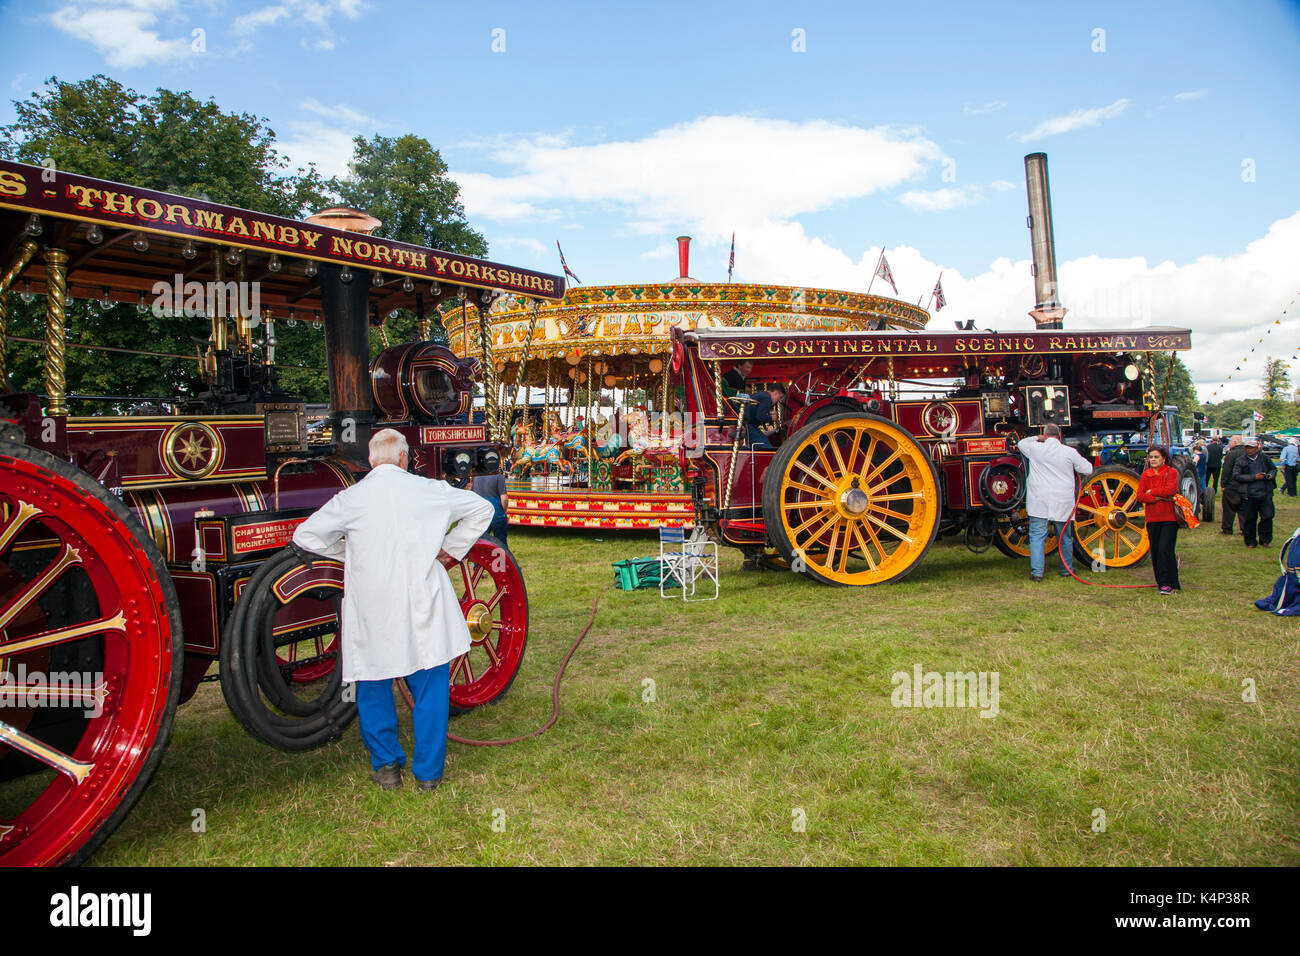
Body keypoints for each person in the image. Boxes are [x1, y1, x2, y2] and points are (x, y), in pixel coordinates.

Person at [292, 428, 494, 791]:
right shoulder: (430, 490)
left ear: (371, 460)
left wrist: (348, 553)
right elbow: (482, 508)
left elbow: (305, 536)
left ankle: (387, 767)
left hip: (373, 608)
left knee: (373, 684)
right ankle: (429, 775)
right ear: (404, 458)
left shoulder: (351, 498)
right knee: (430, 687)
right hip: (424, 603)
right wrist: (450, 549)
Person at [1016, 424, 1093, 582]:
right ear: (1060, 434)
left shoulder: (1036, 449)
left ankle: (1037, 573)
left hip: (1039, 499)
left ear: (1044, 434)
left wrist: (1038, 438)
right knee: (1064, 536)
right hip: (1062, 499)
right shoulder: (1069, 451)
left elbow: (1021, 444)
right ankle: (1067, 569)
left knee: (1037, 536)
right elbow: (1088, 469)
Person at [1136, 446, 1181, 594]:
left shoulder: (1171, 472)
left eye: (1156, 457)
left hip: (1169, 517)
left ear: (1164, 459)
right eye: (1151, 457)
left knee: (1165, 549)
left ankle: (1168, 582)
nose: (1153, 460)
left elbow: (1171, 490)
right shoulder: (1145, 475)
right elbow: (1140, 496)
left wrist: (1152, 492)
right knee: (1156, 550)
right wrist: (1158, 497)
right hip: (1152, 518)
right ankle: (1164, 582)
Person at [1233, 437, 1278, 549]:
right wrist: (1254, 477)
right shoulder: (1241, 460)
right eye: (1247, 448)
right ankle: (1250, 541)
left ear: (1256, 449)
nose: (1249, 450)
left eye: (1251, 448)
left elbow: (1273, 469)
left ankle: (1265, 540)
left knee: (1267, 516)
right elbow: (1236, 476)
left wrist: (1271, 475)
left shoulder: (1264, 458)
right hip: (1249, 494)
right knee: (1249, 519)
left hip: (1265, 493)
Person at [471, 457, 510, 546]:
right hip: (497, 514)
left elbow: (473, 496)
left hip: (481, 515)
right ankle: (501, 559)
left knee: (481, 543)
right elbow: (504, 498)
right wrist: (504, 510)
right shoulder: (498, 477)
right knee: (501, 543)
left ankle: (479, 559)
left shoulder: (476, 477)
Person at [744, 383, 787, 449]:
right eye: (780, 397)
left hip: (748, 424)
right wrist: (771, 418)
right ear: (776, 393)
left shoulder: (762, 395)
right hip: (749, 425)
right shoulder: (767, 398)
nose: (779, 400)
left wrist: (768, 413)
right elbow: (760, 416)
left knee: (764, 441)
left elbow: (757, 412)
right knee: (766, 447)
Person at [1220, 436, 1246, 535]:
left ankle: (1227, 529)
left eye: (1230, 442)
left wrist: (1223, 483)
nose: (1229, 444)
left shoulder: (1231, 454)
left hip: (1232, 485)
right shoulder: (1247, 452)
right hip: (1245, 485)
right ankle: (1244, 528)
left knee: (1228, 509)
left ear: (1235, 442)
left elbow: (1226, 470)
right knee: (1243, 509)